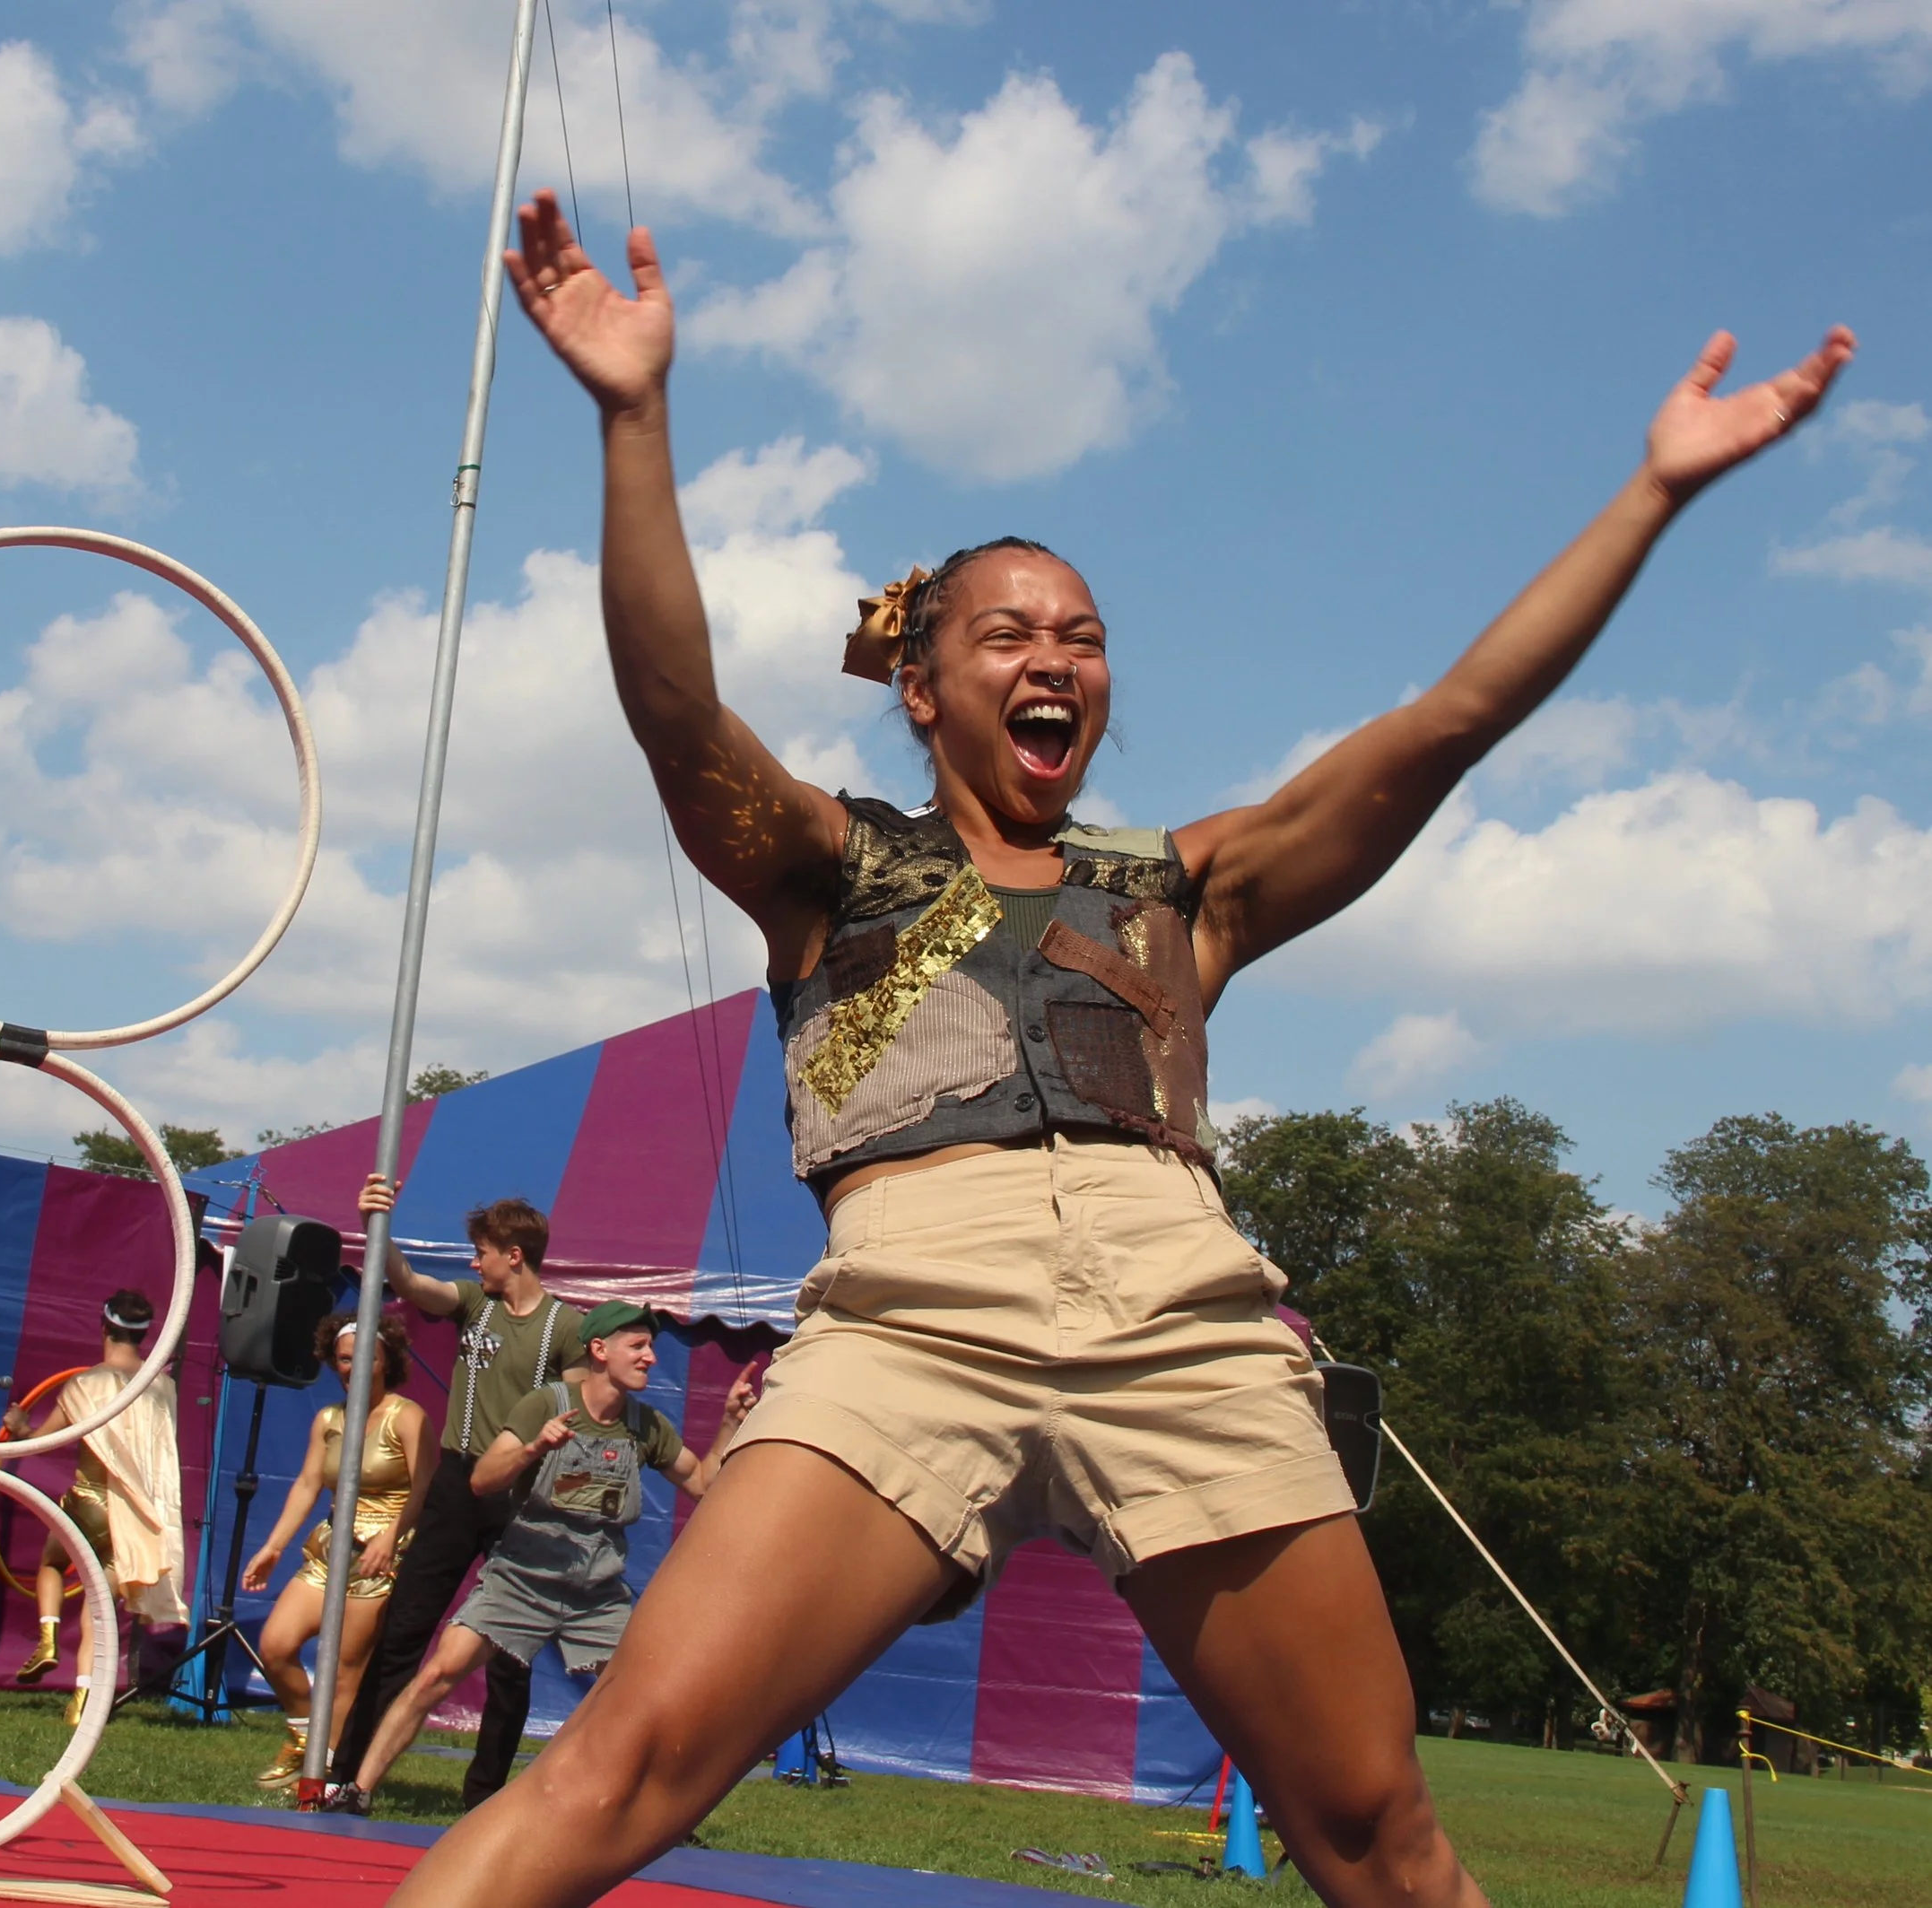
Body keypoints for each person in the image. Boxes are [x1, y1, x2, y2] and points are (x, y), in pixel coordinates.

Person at [385, 189, 1854, 1908]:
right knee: (627, 1763)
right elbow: (670, 707)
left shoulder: (1183, 887)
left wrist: (1655, 493)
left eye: (1080, 634)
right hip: (918, 1313)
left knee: (1381, 1837)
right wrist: (636, 418)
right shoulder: (830, 867)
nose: (1054, 656)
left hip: (1185, 1311)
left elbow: (1448, 722)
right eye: (1007, 632)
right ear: (921, 685)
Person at [345, 1302, 755, 1810]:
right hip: (520, 1579)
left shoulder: (646, 1426)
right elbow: (481, 1479)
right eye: (638, 1346)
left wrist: (730, 1423)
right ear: (600, 1351)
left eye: (651, 1347)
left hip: (596, 1594)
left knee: (647, 1701)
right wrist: (534, 1447)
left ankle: (658, 1819)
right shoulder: (546, 1404)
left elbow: (704, 1484)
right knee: (437, 1673)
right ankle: (357, 1791)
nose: (651, 1357)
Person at [318, 1177, 586, 1813]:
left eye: (483, 1251)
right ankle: (348, 1774)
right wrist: (376, 1219)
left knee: (509, 1654)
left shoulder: (567, 1327)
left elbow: (578, 1413)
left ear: (513, 1254)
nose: (474, 1261)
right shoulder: (473, 1304)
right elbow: (409, 1284)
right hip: (456, 1486)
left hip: (519, 1495)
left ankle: (485, 1794)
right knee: (403, 1629)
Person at [241, 1310, 436, 1788]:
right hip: (330, 1549)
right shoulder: (328, 1418)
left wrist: (391, 1538)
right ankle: (306, 1735)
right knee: (276, 1645)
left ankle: (324, 1770)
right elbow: (309, 1483)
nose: (351, 1367)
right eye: (344, 1359)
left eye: (363, 1358)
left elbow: (426, 1486)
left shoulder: (406, 1417)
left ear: (386, 1361)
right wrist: (273, 1546)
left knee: (346, 1670)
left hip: (378, 1555)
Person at [4, 1288, 188, 1725]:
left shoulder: (86, 1383)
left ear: (104, 1327)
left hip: (88, 1502)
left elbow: (44, 1441)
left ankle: (47, 1633)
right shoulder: (163, 1387)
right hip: (133, 1515)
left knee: (51, 1563)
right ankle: (84, 1700)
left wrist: (19, 1426)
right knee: (98, 1608)